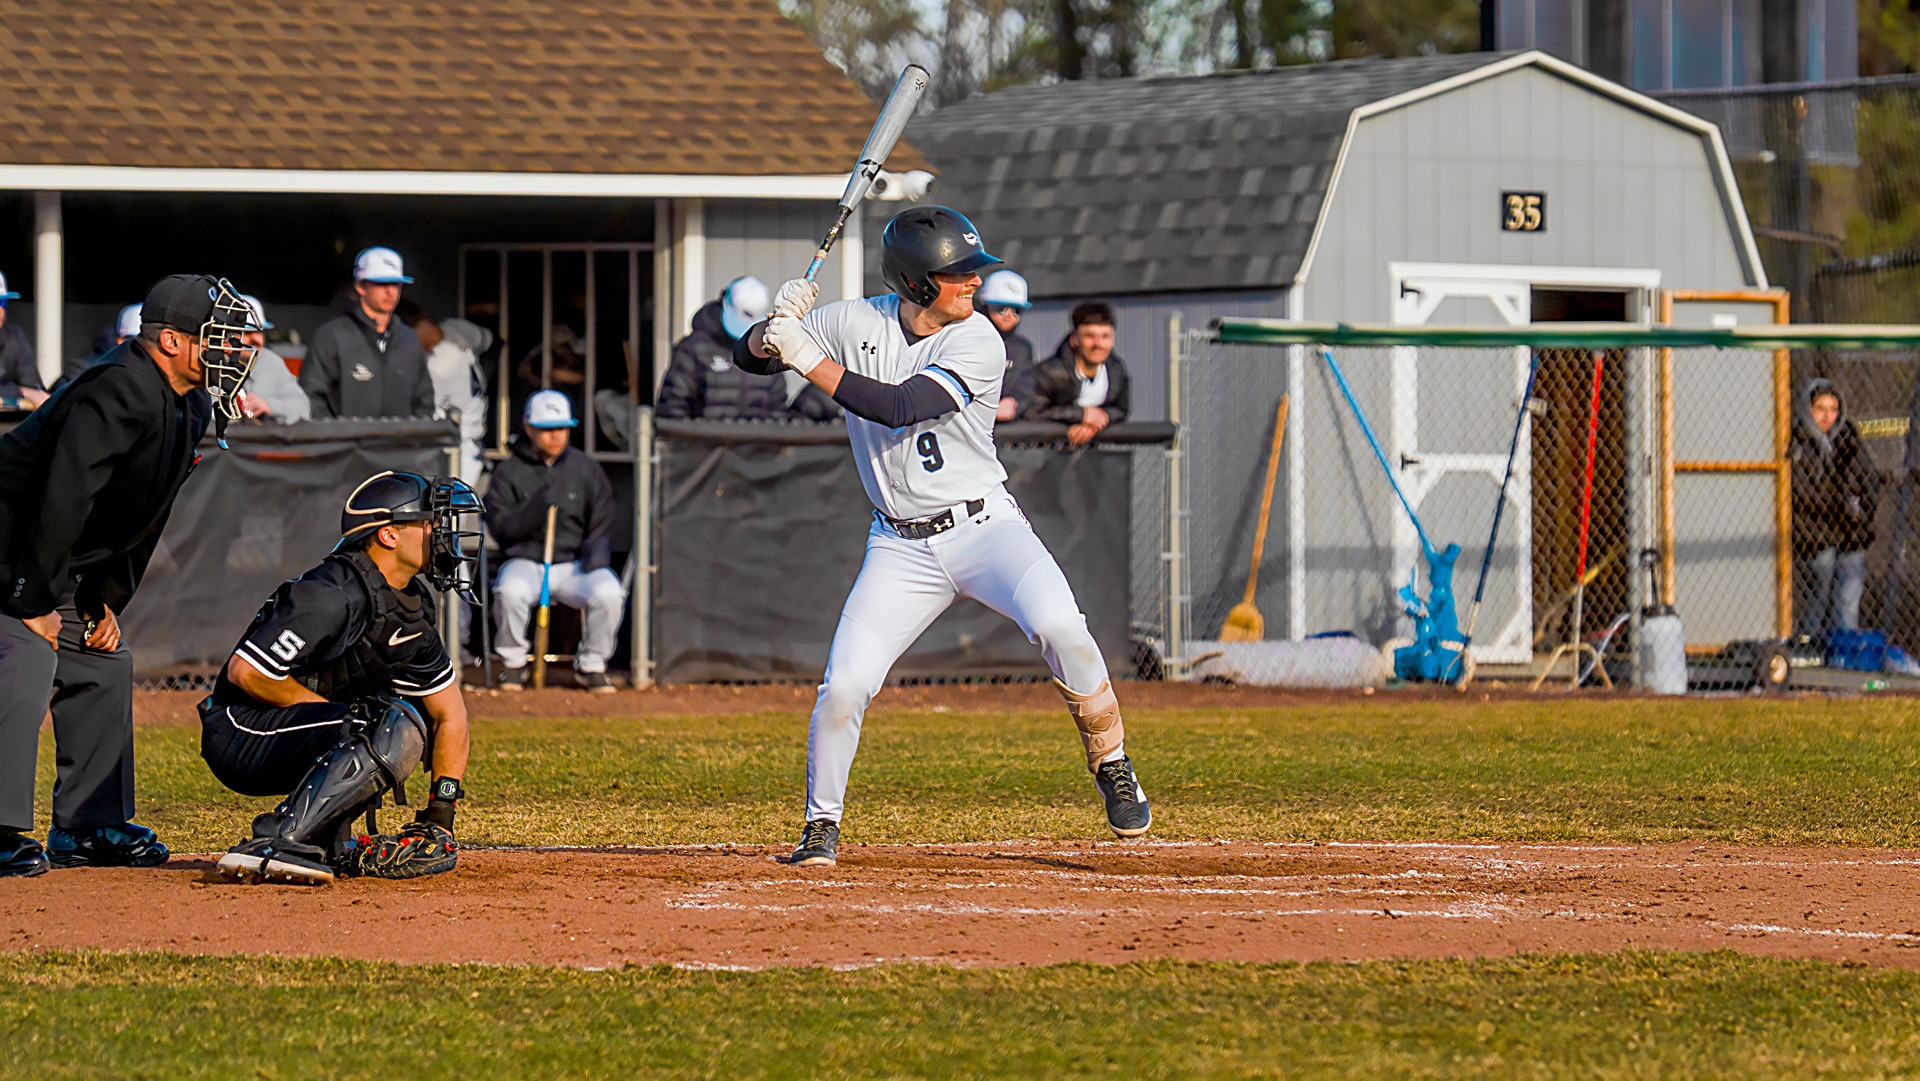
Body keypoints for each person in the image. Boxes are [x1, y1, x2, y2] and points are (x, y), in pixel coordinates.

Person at [736, 205, 1151, 868]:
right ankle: (821, 826)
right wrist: (770, 331)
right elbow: (750, 359)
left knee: (1062, 627)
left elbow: (900, 407)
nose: (974, 283)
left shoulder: (981, 340)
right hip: (900, 545)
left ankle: (1112, 759)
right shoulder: (854, 320)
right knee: (844, 686)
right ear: (916, 283)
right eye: (958, 274)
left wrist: (805, 355)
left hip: (986, 527)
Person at [0, 274, 258, 877]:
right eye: (213, 337)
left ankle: (89, 825)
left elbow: (146, 512)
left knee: (101, 661)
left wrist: (100, 599)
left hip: (39, 556)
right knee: (24, 659)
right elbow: (61, 497)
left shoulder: (189, 402)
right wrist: (32, 599)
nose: (230, 350)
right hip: (12, 551)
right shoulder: (116, 386)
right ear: (169, 341)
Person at [201, 471, 480, 884]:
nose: (441, 531)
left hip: (304, 731)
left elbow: (449, 717)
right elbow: (248, 673)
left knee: (404, 719)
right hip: (241, 732)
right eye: (429, 521)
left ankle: (330, 845)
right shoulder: (333, 592)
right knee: (382, 725)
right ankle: (278, 840)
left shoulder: (412, 609)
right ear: (388, 535)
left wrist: (441, 815)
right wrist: (336, 717)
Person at [486, 390, 625, 693]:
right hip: (526, 562)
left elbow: (601, 521)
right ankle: (513, 663)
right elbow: (500, 525)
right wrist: (535, 508)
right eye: (547, 429)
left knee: (610, 592)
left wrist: (593, 561)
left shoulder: (586, 469)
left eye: (561, 428)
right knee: (510, 590)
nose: (555, 436)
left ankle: (591, 665)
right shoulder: (509, 471)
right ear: (528, 427)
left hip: (575, 565)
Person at [1790, 378, 1881, 638]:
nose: (1827, 416)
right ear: (1808, 409)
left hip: (1849, 533)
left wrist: (1859, 509)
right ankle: (1808, 646)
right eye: (1820, 408)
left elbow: (1868, 480)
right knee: (1822, 572)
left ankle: (1845, 652)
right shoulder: (1799, 442)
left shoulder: (1848, 438)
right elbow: (1803, 493)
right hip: (1815, 536)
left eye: (1833, 409)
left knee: (1848, 596)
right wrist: (1838, 503)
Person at [300, 247, 434, 419]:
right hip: (345, 444)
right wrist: (334, 437)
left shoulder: (409, 339)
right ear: (361, 286)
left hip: (400, 444)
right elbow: (312, 396)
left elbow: (424, 399)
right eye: (381, 283)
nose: (390, 291)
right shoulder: (332, 336)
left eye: (396, 284)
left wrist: (414, 438)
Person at [656, 276, 792, 421]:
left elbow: (778, 414)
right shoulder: (693, 349)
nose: (749, 321)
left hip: (756, 443)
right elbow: (672, 408)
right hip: (702, 442)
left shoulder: (768, 352)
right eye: (745, 314)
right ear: (726, 304)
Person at [1018, 302, 1131, 445]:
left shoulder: (1116, 371)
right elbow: (1030, 412)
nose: (1098, 344)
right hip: (1045, 455)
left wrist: (1098, 421)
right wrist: (1081, 415)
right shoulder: (1048, 372)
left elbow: (1122, 410)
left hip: (1094, 457)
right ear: (1074, 339)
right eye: (1090, 336)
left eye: (1105, 336)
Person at [400, 304, 489, 487]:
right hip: (454, 446)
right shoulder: (430, 360)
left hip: (466, 445)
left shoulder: (437, 362)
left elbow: (489, 341)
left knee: (452, 510)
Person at [232, 295, 311, 423]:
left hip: (263, 442)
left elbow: (303, 408)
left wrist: (269, 405)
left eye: (259, 332)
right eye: (246, 332)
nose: (256, 339)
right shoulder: (208, 364)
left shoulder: (271, 362)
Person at [979, 270, 1036, 421]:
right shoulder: (965, 340)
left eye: (1017, 310)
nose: (1009, 315)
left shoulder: (1023, 349)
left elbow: (1026, 387)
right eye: (1001, 308)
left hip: (1005, 435)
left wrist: (1013, 403)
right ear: (985, 307)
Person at [0, 270, 46, 408]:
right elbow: (27, 391)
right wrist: (20, 391)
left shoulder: (13, 335)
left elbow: (34, 388)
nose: (0, 310)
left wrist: (29, 392)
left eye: (2, 302)